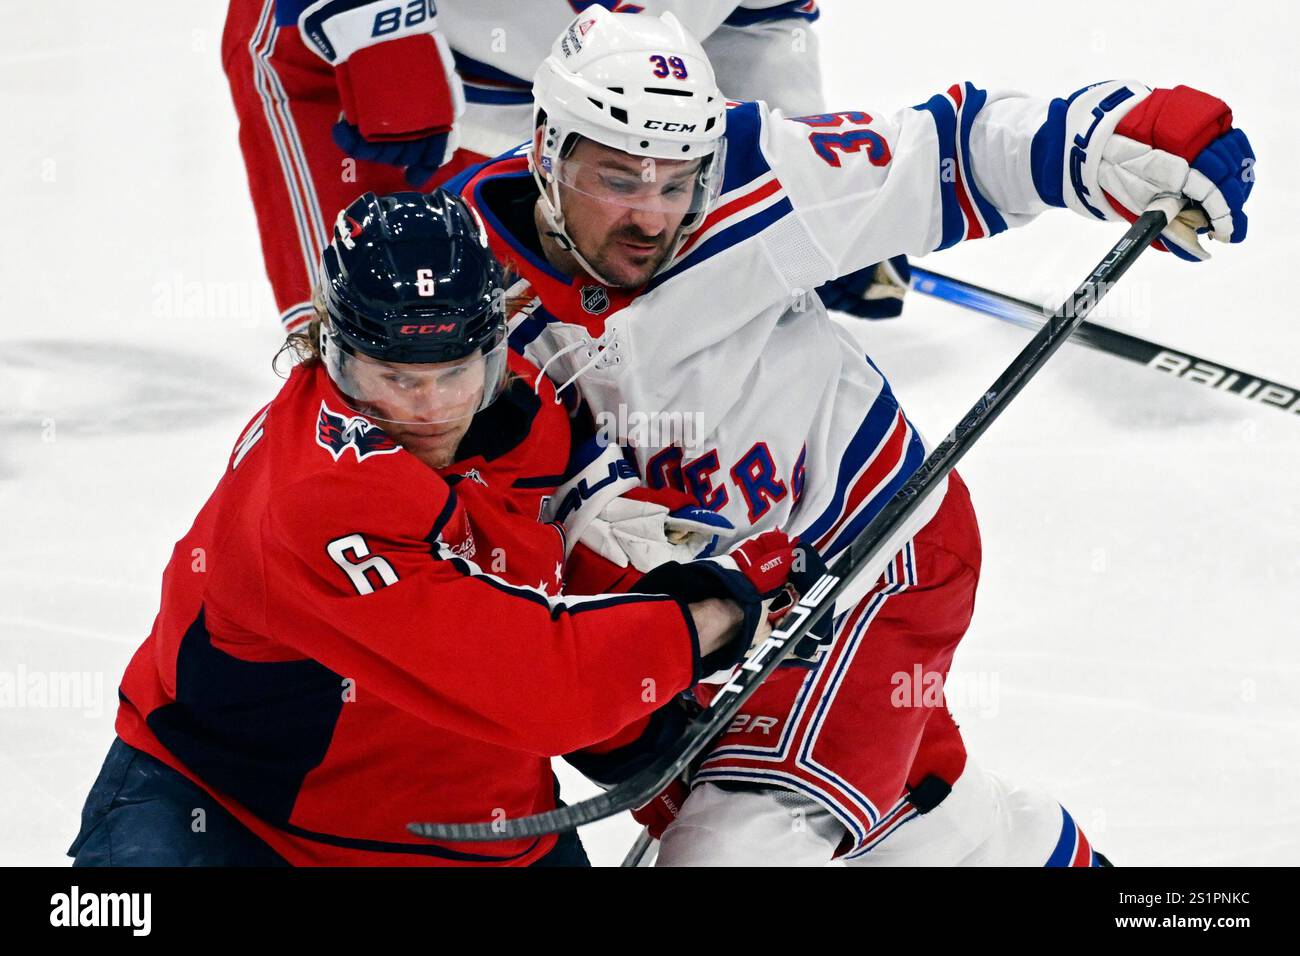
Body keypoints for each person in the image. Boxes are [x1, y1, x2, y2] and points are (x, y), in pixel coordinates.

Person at [445, 7, 1256, 864]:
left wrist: (1100, 145)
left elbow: (946, 150)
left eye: (676, 182)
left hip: (875, 559)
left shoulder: (759, 178)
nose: (653, 218)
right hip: (723, 608)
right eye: (618, 179)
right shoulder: (469, 290)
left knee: (734, 844)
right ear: (546, 146)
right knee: (915, 813)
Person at [67, 188, 796, 866]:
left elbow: (533, 583)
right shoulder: (316, 497)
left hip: (471, 825)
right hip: (232, 822)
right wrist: (715, 616)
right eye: (395, 377)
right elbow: (539, 686)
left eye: (455, 372)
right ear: (333, 352)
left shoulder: (524, 413)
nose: (430, 408)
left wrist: (640, 732)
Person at [221, 1, 892, 335]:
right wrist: (369, 24)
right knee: (375, 335)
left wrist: (801, 198)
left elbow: (754, 29)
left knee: (563, 351)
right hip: (374, 60)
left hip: (591, 96)